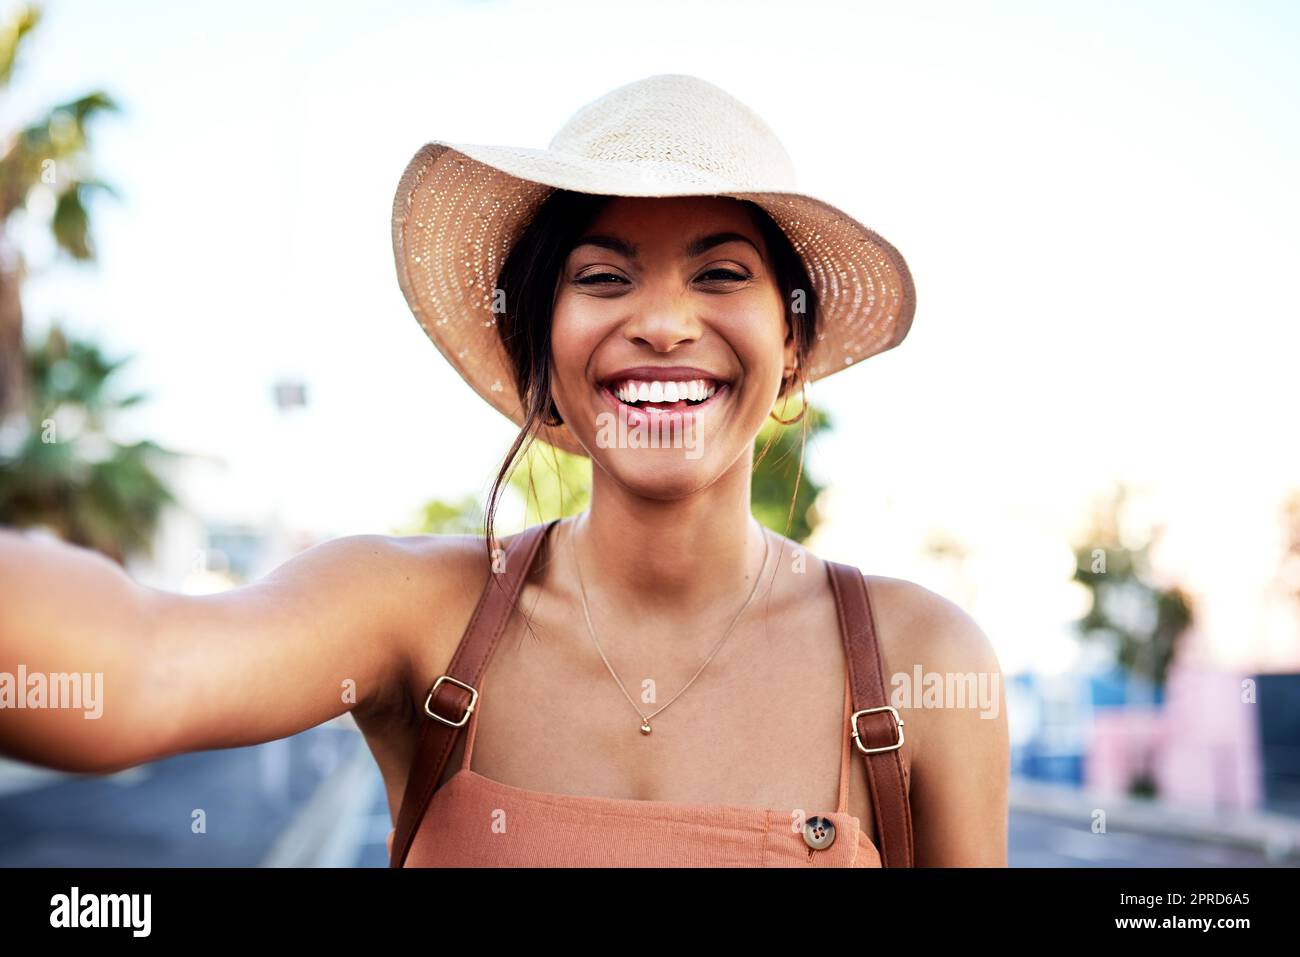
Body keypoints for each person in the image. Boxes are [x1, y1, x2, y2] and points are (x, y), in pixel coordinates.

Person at [0, 74, 1008, 867]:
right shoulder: (414, 614)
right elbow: (131, 668)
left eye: (721, 272)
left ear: (790, 346)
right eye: (602, 277)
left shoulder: (924, 662)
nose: (660, 323)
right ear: (543, 352)